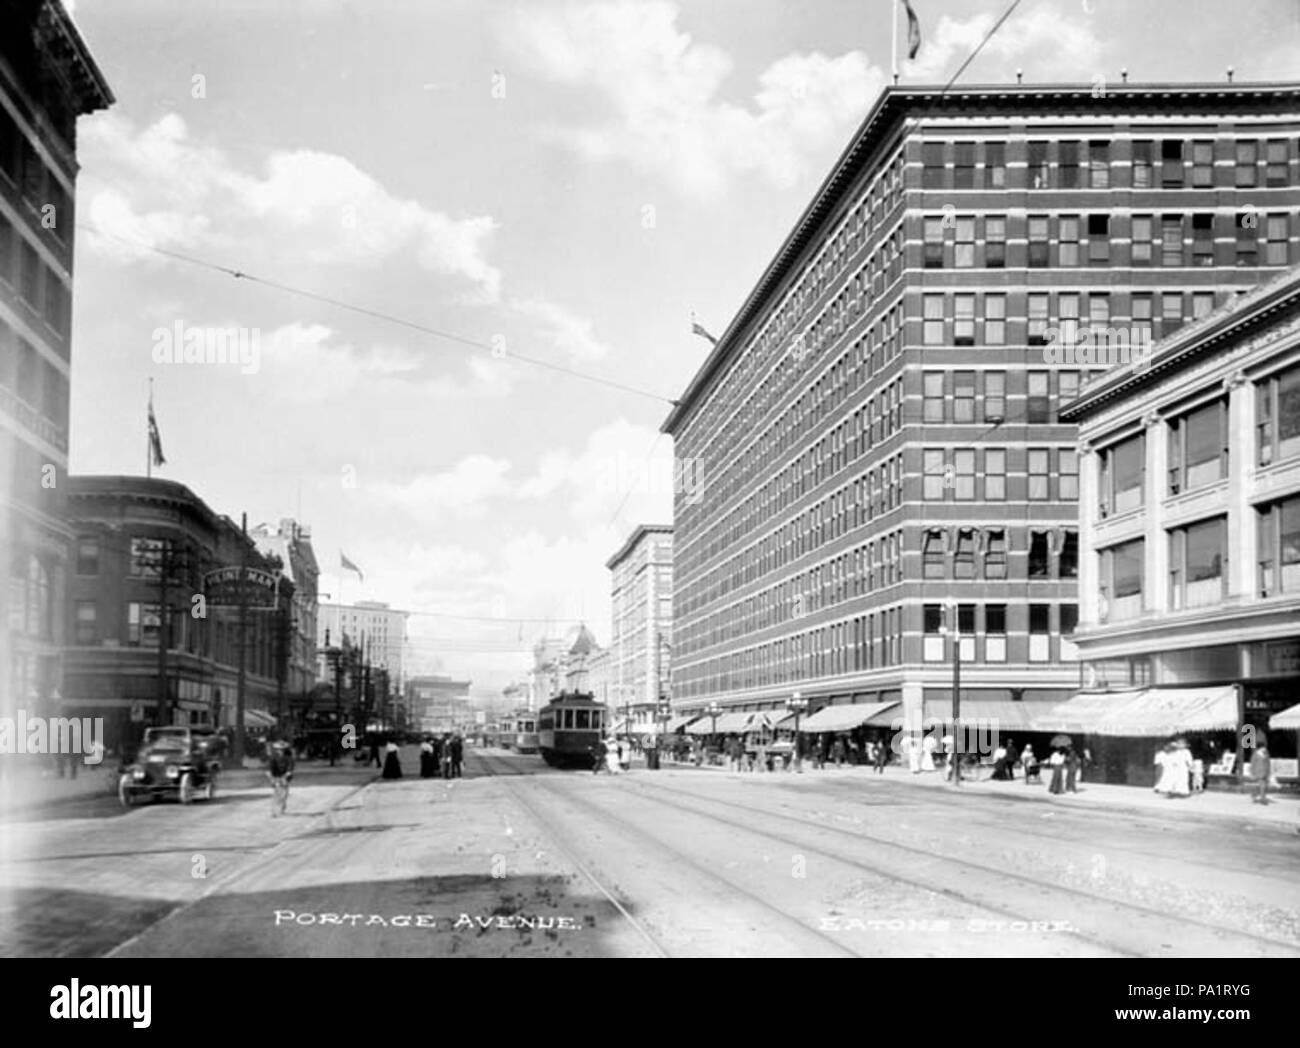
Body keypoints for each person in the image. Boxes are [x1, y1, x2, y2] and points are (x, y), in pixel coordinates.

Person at [267, 739, 294, 816]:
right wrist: (271, 776)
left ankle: (282, 806)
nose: (280, 751)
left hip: (286, 776)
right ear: (276, 750)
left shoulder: (289, 758)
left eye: (282, 749)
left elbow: (290, 768)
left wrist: (286, 775)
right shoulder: (273, 757)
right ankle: (274, 810)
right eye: (279, 749)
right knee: (276, 793)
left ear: (285, 750)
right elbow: (270, 767)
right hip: (276, 776)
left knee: (284, 793)